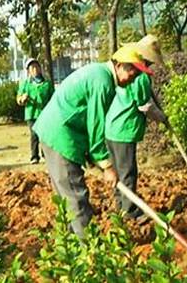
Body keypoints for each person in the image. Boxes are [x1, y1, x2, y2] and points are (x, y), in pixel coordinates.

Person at [33, 45, 154, 238]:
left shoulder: (99, 73)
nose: (134, 76)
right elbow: (96, 126)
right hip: (62, 135)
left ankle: (71, 247)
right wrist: (106, 165)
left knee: (65, 198)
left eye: (138, 73)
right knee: (75, 198)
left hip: (53, 132)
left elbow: (87, 120)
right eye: (132, 70)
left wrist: (91, 156)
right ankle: (90, 253)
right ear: (120, 65)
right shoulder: (104, 82)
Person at [105, 35, 167, 220]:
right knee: (127, 173)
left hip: (111, 128)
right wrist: (162, 118)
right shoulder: (141, 76)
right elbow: (144, 105)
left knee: (118, 172)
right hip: (124, 130)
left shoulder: (126, 69)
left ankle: (120, 207)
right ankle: (130, 212)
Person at [16, 58, 54, 164]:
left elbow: (53, 98)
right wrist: (22, 99)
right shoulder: (25, 84)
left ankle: (45, 154)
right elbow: (18, 99)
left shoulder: (47, 83)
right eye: (32, 68)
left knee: (45, 135)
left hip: (45, 114)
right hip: (31, 114)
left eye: (36, 67)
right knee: (34, 135)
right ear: (28, 71)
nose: (35, 69)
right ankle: (34, 156)